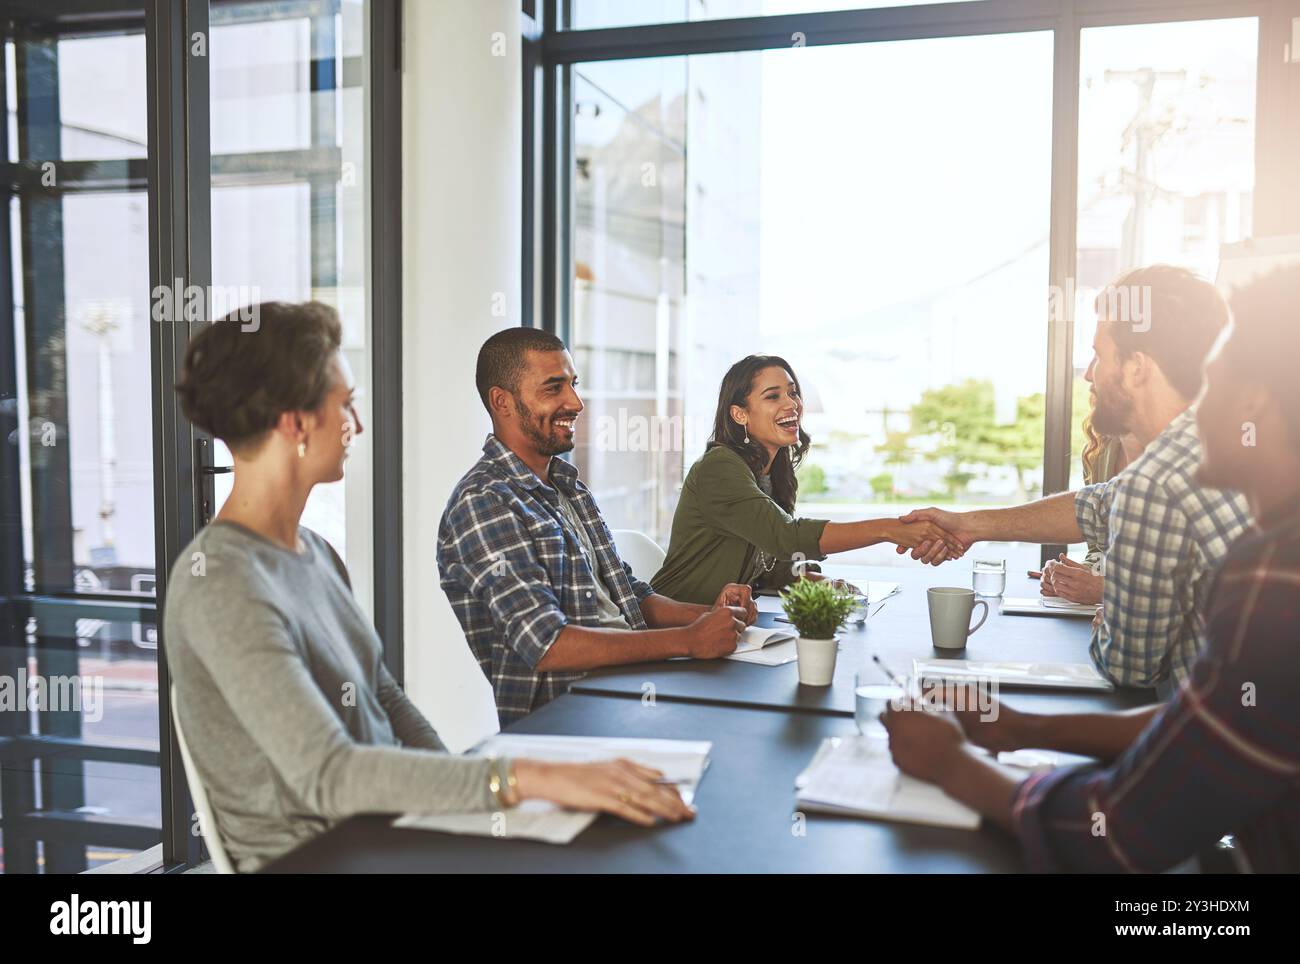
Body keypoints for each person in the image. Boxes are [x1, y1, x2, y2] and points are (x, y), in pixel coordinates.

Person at [166, 303, 693, 872]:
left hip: (390, 833)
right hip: (327, 856)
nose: (357, 425)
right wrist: (522, 778)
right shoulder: (222, 584)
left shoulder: (314, 555)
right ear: (295, 422)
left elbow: (384, 696)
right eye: (344, 405)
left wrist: (470, 803)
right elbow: (330, 775)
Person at [882, 263, 1300, 873]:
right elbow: (1213, 717)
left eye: (1210, 383)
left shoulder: (1272, 574)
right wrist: (1018, 726)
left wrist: (948, 761)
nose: (1195, 408)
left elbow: (1112, 833)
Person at [899, 265, 1250, 690]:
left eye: (1100, 356)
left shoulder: (1155, 483)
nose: (1089, 374)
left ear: (1137, 367)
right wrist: (971, 525)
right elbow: (1100, 505)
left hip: (1205, 741)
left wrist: (1111, 620)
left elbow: (1127, 668)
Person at [438, 328, 761, 727]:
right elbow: (547, 643)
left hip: (636, 688)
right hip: (573, 719)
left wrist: (712, 615)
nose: (575, 403)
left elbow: (629, 595)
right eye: (553, 388)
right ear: (502, 402)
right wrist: (689, 640)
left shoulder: (566, 485)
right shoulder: (485, 502)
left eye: (573, 385)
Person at [651, 355, 965, 605]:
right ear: (739, 415)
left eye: (793, 392)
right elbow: (785, 537)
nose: (792, 404)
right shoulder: (719, 468)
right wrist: (889, 530)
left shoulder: (769, 473)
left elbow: (768, 563)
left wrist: (816, 580)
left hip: (722, 625)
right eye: (773, 396)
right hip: (675, 622)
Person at [1037, 404, 1143, 606]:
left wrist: (1106, 590)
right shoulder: (1100, 451)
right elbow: (1099, 549)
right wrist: (1071, 578)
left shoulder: (1187, 451)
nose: (1088, 376)